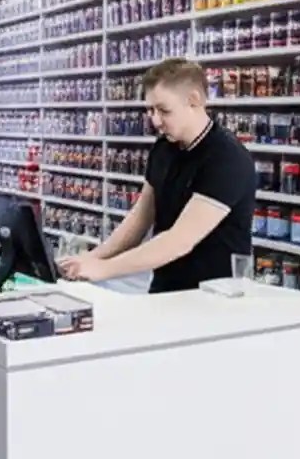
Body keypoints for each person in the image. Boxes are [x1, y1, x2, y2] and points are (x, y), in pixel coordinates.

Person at [59, 58, 255, 293]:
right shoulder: (164, 148)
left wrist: (104, 269)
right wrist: (92, 259)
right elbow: (140, 218)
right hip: (166, 287)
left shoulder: (227, 159)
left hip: (213, 295)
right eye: (150, 110)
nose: (155, 120)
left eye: (164, 110)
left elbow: (180, 240)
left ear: (194, 100)